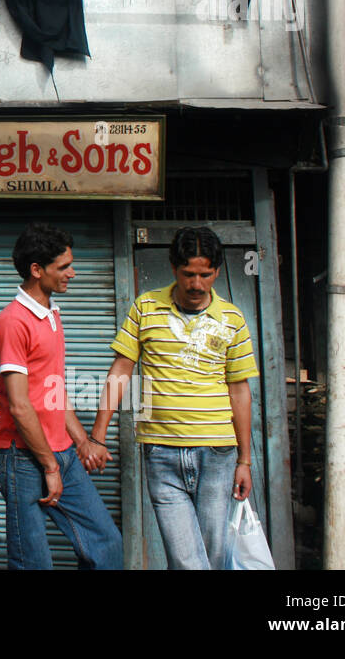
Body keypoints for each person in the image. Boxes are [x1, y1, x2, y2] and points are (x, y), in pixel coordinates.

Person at [90, 226, 259, 570]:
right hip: (161, 453)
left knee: (212, 558)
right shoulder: (146, 307)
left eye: (205, 274)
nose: (196, 284)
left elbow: (239, 391)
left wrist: (245, 460)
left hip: (217, 454)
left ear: (217, 271)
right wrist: (97, 434)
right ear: (173, 268)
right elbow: (121, 370)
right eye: (188, 274)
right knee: (186, 561)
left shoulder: (233, 319)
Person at [0, 223, 122, 570]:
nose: (72, 274)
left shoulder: (51, 315)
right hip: (22, 459)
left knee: (105, 544)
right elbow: (20, 405)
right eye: (63, 267)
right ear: (37, 270)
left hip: (62, 452)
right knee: (34, 562)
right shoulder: (13, 321)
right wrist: (49, 465)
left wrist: (84, 442)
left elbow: (53, 391)